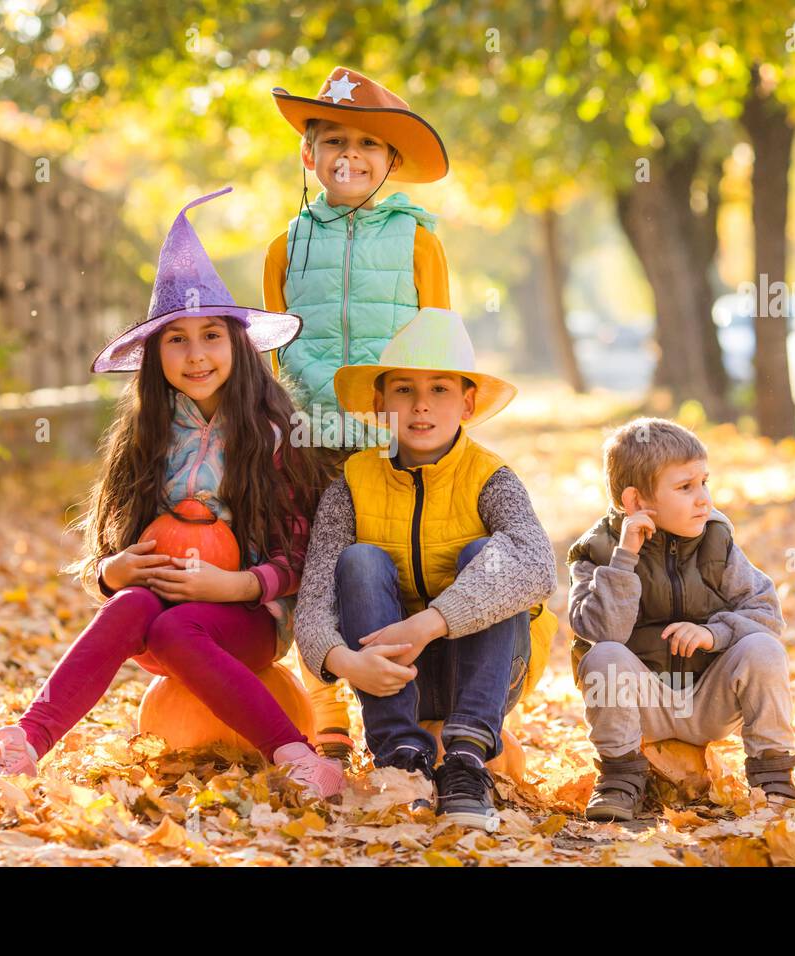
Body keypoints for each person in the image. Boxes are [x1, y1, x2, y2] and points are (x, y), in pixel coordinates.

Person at [0, 187, 343, 800]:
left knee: (180, 633)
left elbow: (303, 553)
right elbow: (114, 548)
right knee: (128, 609)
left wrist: (239, 586)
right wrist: (111, 571)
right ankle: (27, 740)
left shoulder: (276, 435)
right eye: (177, 339)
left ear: (238, 345)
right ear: (155, 353)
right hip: (157, 608)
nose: (196, 354)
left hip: (246, 619)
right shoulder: (145, 436)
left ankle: (299, 757)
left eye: (211, 336)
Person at [293, 308, 558, 830]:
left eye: (439, 389)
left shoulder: (490, 477)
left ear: (467, 402)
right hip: (391, 677)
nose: (420, 405)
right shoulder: (351, 483)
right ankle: (401, 758)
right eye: (403, 390)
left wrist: (430, 622)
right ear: (379, 402)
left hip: (484, 673)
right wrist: (345, 662)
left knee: (489, 557)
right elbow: (314, 601)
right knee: (359, 560)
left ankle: (466, 760)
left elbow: (537, 566)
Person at [263, 66, 453, 762]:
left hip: (391, 441)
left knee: (392, 568)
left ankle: (414, 706)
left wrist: (417, 424)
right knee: (310, 564)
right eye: (333, 140)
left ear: (391, 161)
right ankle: (326, 709)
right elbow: (280, 350)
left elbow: (439, 342)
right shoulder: (287, 247)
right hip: (313, 441)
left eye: (368, 144)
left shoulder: (418, 242)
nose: (351, 155)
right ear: (308, 155)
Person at [567, 417, 795, 822]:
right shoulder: (598, 552)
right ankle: (620, 780)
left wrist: (714, 634)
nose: (703, 500)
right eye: (685, 487)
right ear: (637, 501)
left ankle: (773, 779)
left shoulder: (716, 540)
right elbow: (601, 633)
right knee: (603, 655)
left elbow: (765, 613)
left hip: (709, 699)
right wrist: (625, 560)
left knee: (763, 648)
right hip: (644, 705)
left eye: (704, 482)